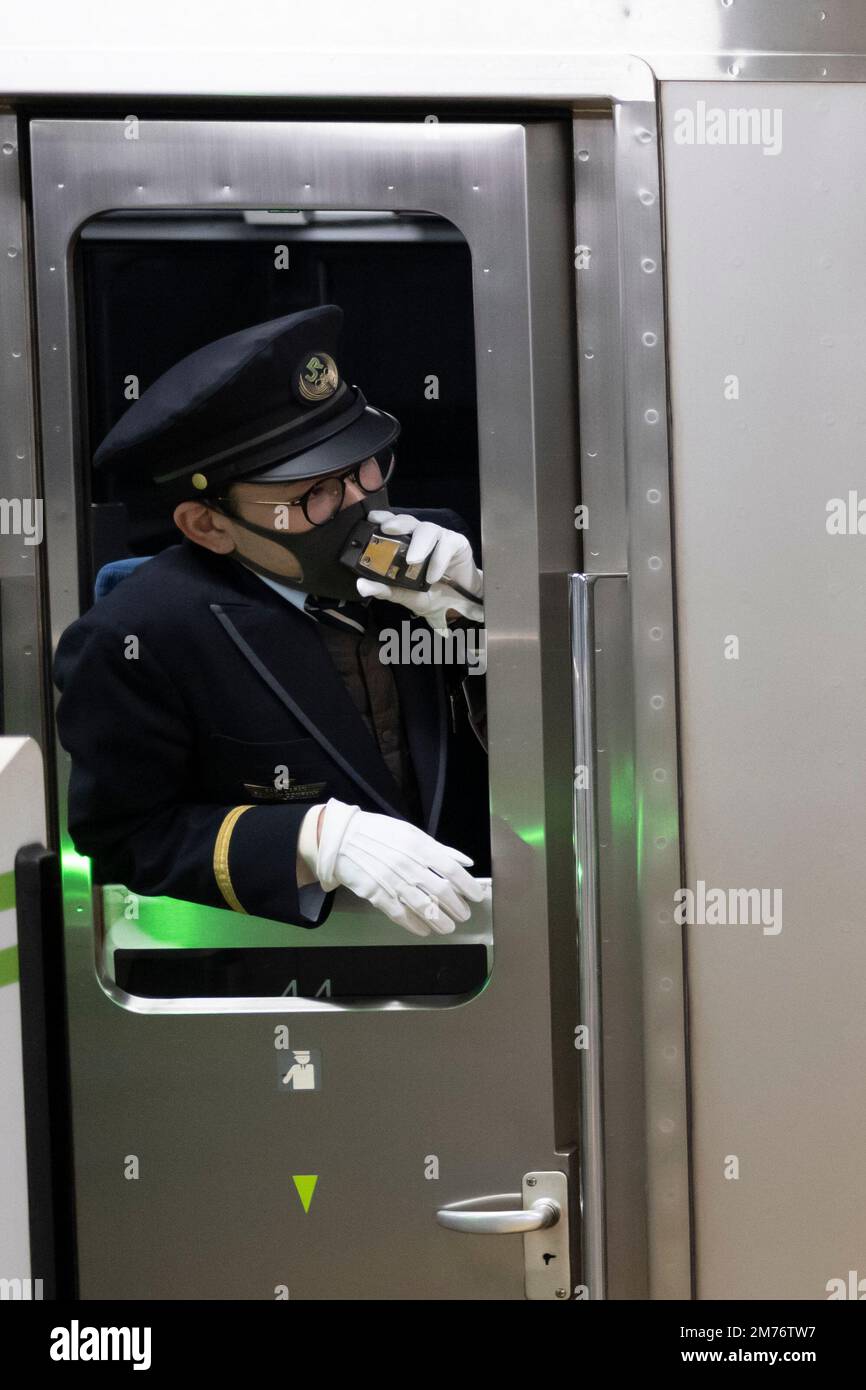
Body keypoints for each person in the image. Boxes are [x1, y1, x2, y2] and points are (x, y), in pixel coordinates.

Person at [53, 304, 489, 939]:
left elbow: (555, 753)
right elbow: (125, 840)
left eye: (366, 466)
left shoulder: (438, 552)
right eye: (314, 494)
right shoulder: (140, 636)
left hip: (482, 936)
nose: (359, 504)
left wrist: (480, 623)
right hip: (281, 965)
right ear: (210, 525)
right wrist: (311, 838)